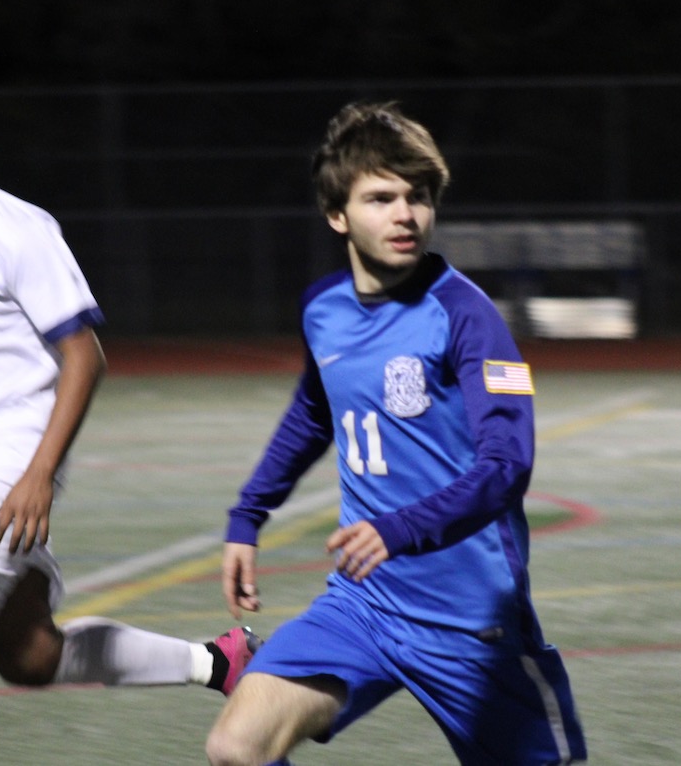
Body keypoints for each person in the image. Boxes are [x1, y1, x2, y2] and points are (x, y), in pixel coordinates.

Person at [0, 60, 258, 766]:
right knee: (30, 655)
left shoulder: (13, 225)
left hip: (11, 451)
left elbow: (84, 352)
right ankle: (220, 664)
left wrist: (39, 471)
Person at [205, 101, 588, 765]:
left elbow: (507, 465)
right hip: (364, 608)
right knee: (237, 747)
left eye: (418, 196)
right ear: (338, 215)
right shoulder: (323, 310)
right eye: (381, 198)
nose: (405, 214)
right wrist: (248, 515)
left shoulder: (469, 316)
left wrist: (397, 529)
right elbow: (314, 410)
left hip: (473, 625)